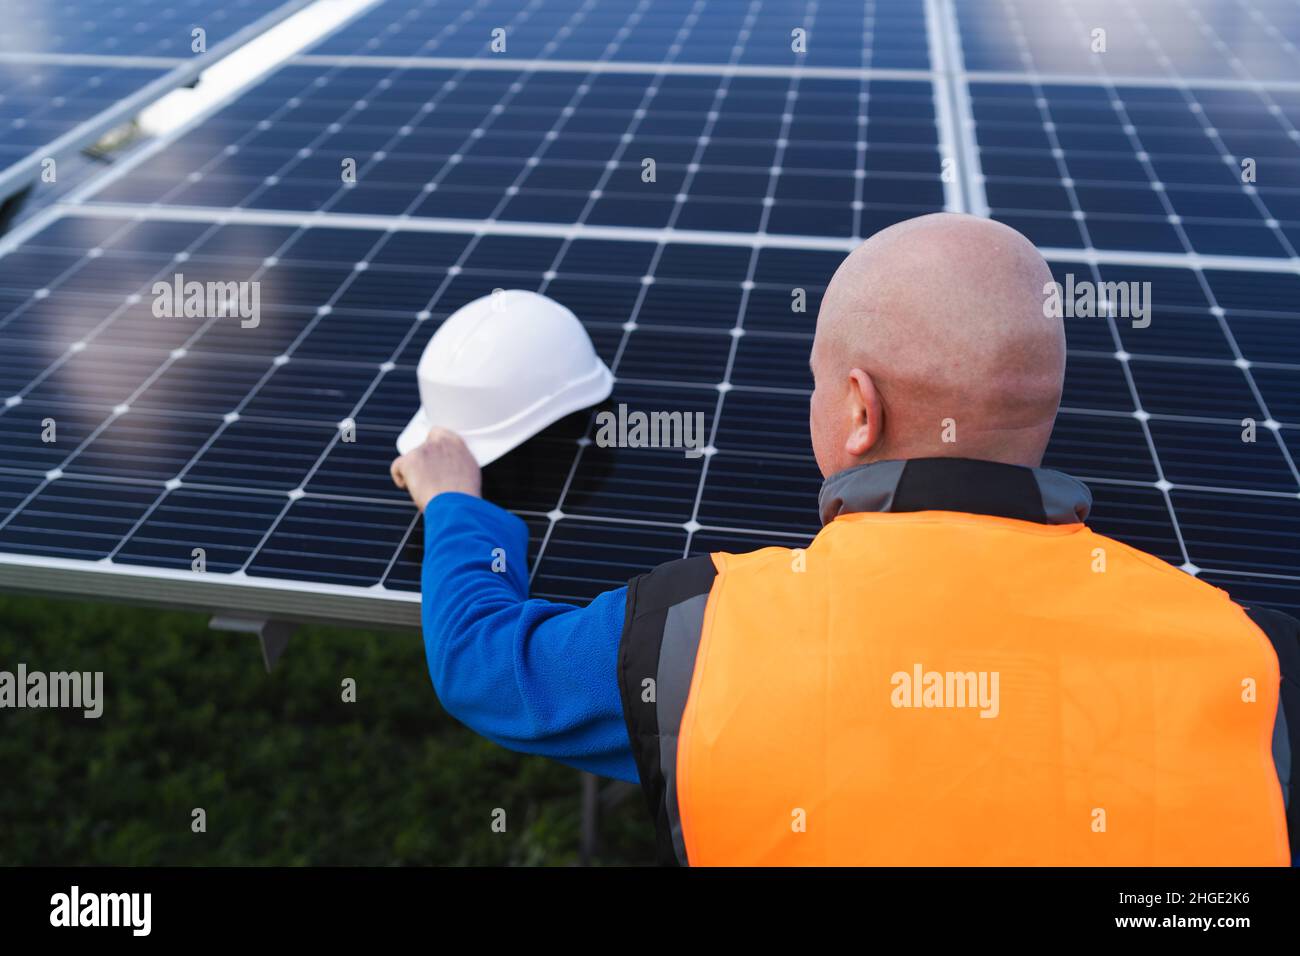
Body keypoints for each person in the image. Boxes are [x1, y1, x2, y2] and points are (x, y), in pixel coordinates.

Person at [390, 213, 1298, 866]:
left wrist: (456, 505)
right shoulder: (1256, 657)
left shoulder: (700, 634)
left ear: (859, 411)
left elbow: (482, 661)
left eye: (819, 383)